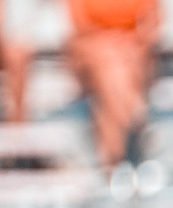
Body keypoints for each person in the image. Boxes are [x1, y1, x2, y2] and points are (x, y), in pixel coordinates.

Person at [65, 0, 159, 172]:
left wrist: (132, 43)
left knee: (112, 78)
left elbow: (154, 21)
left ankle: (113, 164)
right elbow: (80, 24)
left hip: (130, 53)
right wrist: (117, 42)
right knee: (110, 63)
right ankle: (132, 113)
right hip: (92, 50)